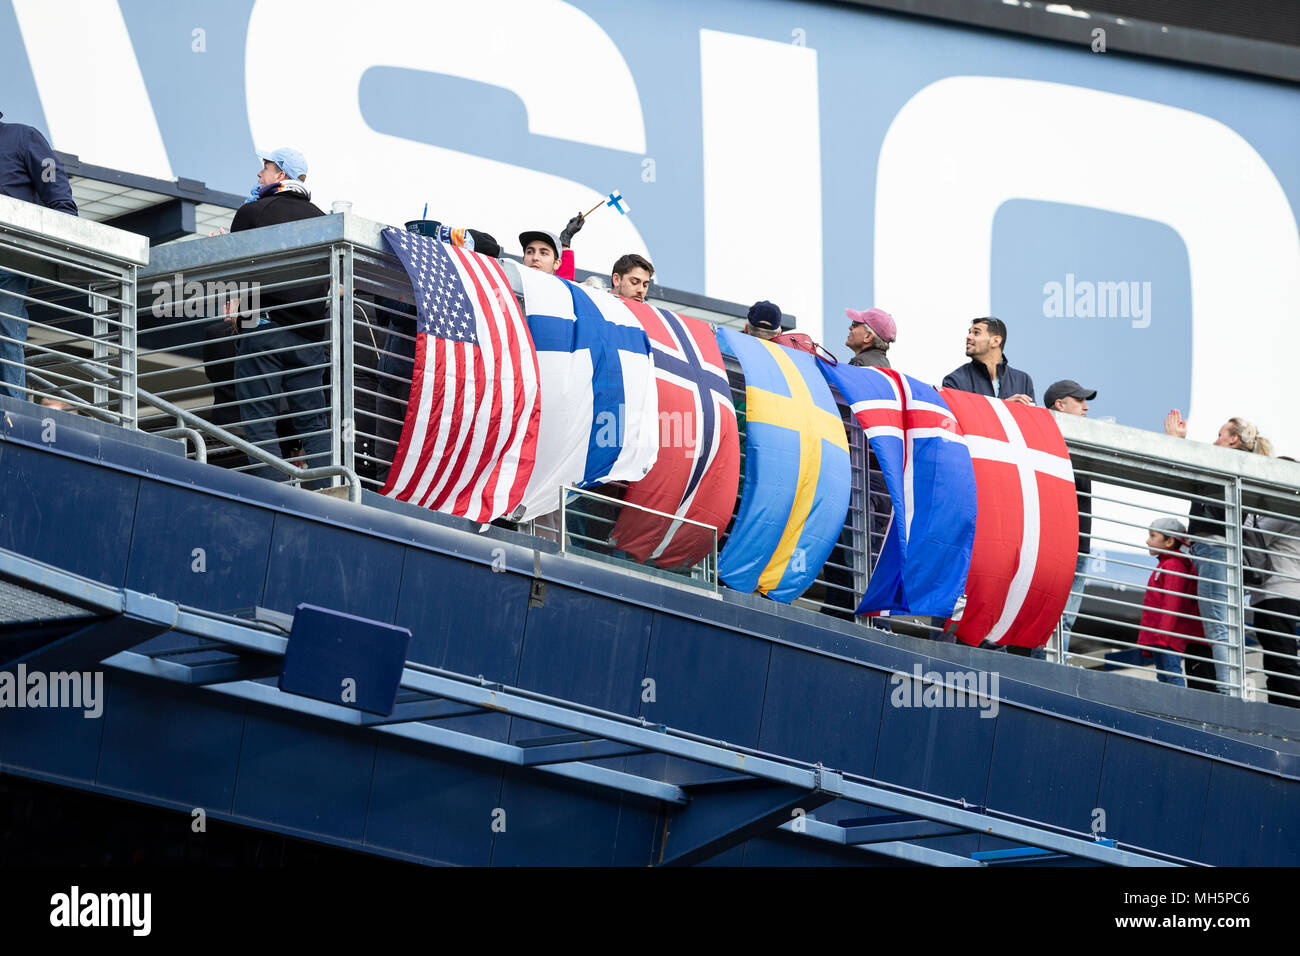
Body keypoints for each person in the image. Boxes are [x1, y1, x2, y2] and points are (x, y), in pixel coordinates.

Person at [225, 148, 331, 486]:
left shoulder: (252, 211)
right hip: (310, 338)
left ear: (280, 176)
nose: (259, 175)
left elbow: (232, 268)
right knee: (313, 422)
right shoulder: (324, 219)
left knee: (259, 422)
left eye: (266, 168)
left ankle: (273, 495)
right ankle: (329, 493)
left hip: (264, 329)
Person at [1163, 411, 1274, 692]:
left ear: (1233, 439)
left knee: (1217, 625)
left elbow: (1190, 470)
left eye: (1220, 435)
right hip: (1213, 547)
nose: (1215, 440)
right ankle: (1231, 689)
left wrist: (1178, 442)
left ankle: (1228, 692)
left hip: (1215, 549)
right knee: (1221, 623)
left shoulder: (1228, 464)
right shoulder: (1234, 465)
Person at [0, 110, 78, 400]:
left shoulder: (23, 137)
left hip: (9, 259)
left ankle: (12, 408)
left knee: (6, 329)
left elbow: (57, 192)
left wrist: (63, 234)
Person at [1040, 379, 1098, 661]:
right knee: (1048, 615)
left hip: (1080, 544)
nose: (1086, 407)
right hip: (1056, 542)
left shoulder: (1087, 441)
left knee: (1066, 618)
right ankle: (1046, 672)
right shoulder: (1045, 437)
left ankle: (1054, 667)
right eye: (1080, 401)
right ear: (1060, 405)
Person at [1248, 458, 1300, 707]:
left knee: (1281, 661)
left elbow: (1254, 537)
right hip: (1281, 592)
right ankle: (1281, 714)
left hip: (1277, 594)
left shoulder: (1285, 507)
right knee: (1277, 660)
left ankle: (1289, 715)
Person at [1137, 517, 1206, 687]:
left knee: (1171, 675)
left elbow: (1172, 602)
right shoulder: (1167, 565)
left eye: (1153, 536)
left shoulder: (1173, 566)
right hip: (1162, 636)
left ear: (1169, 541)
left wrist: (1163, 635)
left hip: (1167, 637)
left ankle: (1178, 709)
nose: (1148, 540)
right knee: (1164, 678)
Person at [941, 317, 1034, 404]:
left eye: (976, 333)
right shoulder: (955, 381)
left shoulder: (1023, 380)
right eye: (969, 332)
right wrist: (1005, 407)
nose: (968, 337)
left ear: (995, 341)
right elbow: (960, 419)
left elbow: (1031, 419)